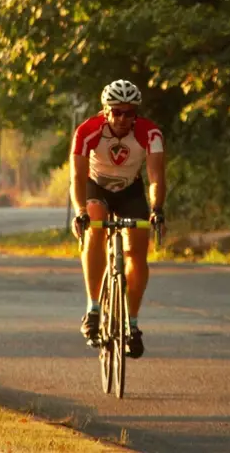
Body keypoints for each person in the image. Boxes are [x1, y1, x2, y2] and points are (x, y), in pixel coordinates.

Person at [70, 79, 166, 359]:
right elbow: (76, 176)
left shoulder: (150, 132)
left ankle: (132, 324)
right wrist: (79, 211)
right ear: (105, 111)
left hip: (130, 190)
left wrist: (157, 209)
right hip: (95, 185)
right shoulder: (87, 131)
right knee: (96, 228)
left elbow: (156, 177)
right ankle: (93, 308)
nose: (124, 118)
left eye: (130, 112)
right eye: (117, 111)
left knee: (137, 252)